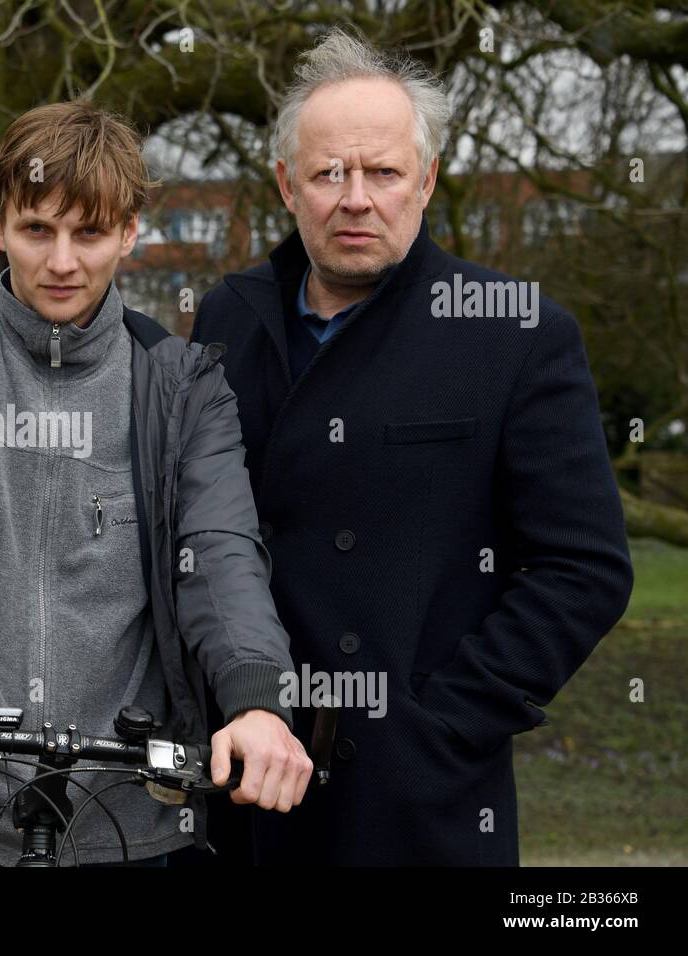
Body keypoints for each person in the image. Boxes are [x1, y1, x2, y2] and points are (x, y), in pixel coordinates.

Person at [0, 101, 313, 867]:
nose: (63, 262)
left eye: (90, 233)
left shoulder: (183, 386)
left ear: (131, 231)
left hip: (130, 826)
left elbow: (217, 552)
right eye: (38, 230)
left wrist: (257, 702)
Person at [191, 29, 634, 865]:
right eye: (329, 173)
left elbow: (587, 570)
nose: (355, 198)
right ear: (288, 185)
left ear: (426, 180)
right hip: (242, 776)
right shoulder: (227, 320)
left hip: (411, 801)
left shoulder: (514, 333)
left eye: (384, 172)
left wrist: (444, 724)